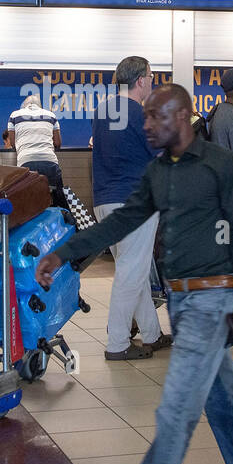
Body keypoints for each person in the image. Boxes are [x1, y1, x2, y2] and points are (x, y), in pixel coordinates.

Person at [36, 84, 233, 464]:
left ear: (182, 116)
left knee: (177, 408)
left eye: (154, 117)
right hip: (184, 302)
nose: (145, 124)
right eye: (144, 116)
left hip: (214, 300)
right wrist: (63, 253)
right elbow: (120, 222)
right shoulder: (159, 173)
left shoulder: (223, 167)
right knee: (223, 395)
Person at [90, 56, 169, 360]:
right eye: (152, 76)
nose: (153, 81)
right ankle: (118, 343)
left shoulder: (102, 110)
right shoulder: (141, 113)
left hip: (105, 202)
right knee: (131, 272)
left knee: (133, 269)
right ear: (140, 81)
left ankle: (151, 334)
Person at [5, 94, 62, 199]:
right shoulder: (51, 115)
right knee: (56, 197)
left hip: (26, 162)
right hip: (50, 161)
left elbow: (13, 143)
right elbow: (58, 143)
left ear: (24, 105)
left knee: (28, 200)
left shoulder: (14, 115)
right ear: (39, 105)